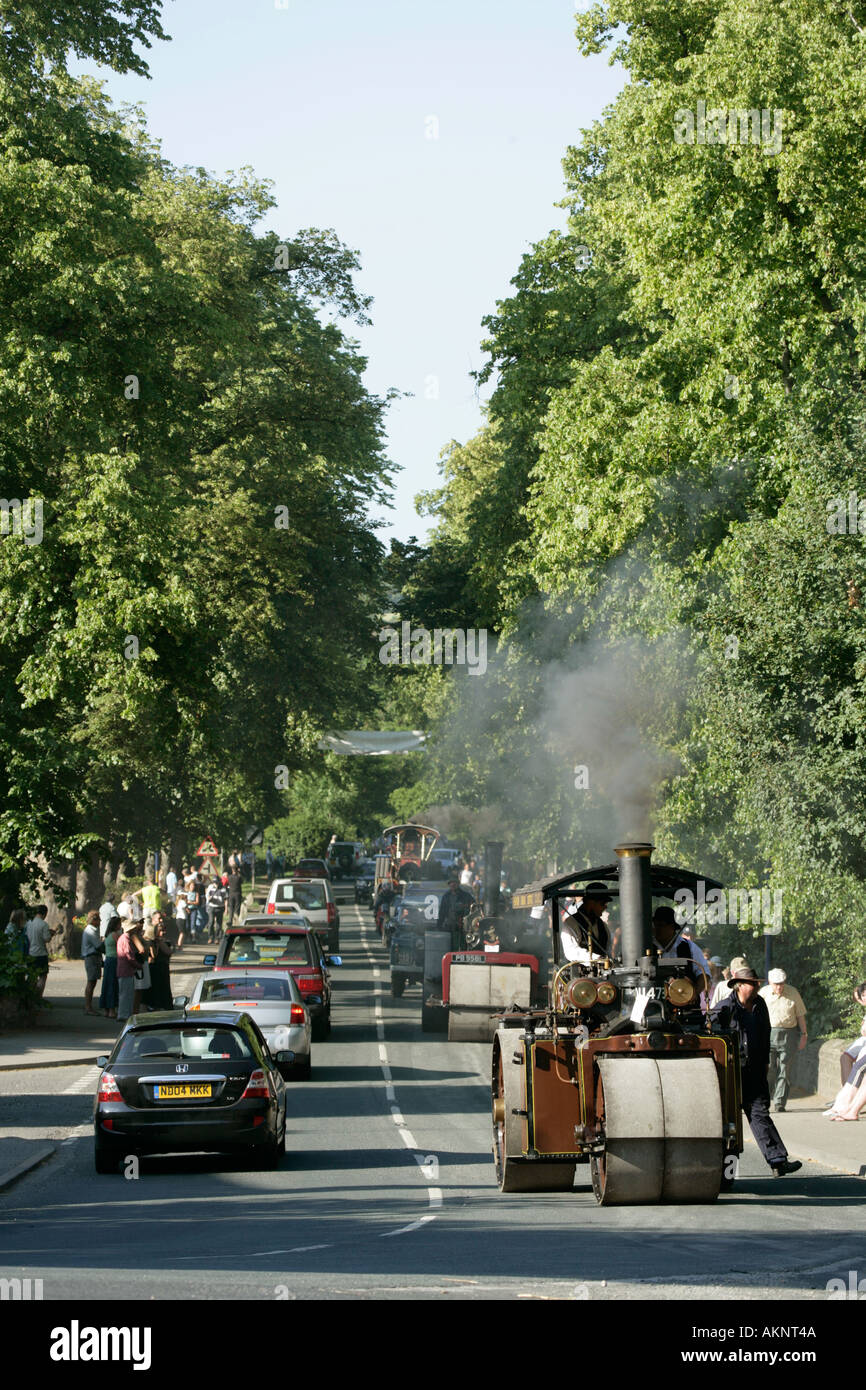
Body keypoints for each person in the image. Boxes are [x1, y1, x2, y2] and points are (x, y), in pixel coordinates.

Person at [711, 966, 802, 1176]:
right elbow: (712, 1036)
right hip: (731, 1073)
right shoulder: (724, 1008)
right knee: (728, 1121)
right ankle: (727, 1173)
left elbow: (765, 1032)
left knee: (760, 1113)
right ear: (739, 986)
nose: (755, 987)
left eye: (756, 983)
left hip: (755, 1070)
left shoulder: (760, 1005)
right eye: (751, 984)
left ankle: (778, 1161)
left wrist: (764, 1063)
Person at [759, 967, 807, 1112]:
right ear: (769, 982)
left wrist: (804, 1035)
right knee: (768, 1069)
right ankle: (765, 1101)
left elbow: (800, 1015)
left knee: (785, 1069)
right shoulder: (763, 993)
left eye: (781, 983)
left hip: (789, 1034)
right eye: (776, 984)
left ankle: (780, 1102)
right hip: (768, 1033)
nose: (779, 987)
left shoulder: (793, 992)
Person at [652, 905, 710, 986]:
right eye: (655, 925)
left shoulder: (690, 947)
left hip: (683, 996)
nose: (656, 929)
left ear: (672, 927)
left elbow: (704, 974)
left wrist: (694, 994)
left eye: (661, 925)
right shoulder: (646, 946)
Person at [563, 883, 613, 958]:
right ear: (591, 902)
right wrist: (597, 958)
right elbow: (571, 952)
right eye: (603, 903)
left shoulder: (603, 926)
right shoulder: (571, 923)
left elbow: (608, 950)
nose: (605, 907)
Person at [144, 911, 173, 1011]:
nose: (162, 933)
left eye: (163, 930)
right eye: (160, 931)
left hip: (163, 968)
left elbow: (169, 952)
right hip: (154, 968)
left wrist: (159, 941)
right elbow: (152, 956)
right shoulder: (150, 939)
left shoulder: (164, 941)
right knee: (155, 990)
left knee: (164, 989)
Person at [25, 906, 56, 997]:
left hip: (30, 953)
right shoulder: (44, 924)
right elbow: (47, 939)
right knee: (42, 976)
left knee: (31, 977)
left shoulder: (28, 923)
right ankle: (38, 997)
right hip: (41, 953)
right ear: (45, 913)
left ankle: (30, 997)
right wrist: (51, 934)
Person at [437, 878, 475, 945]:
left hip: (463, 928)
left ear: (458, 884)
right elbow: (442, 912)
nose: (453, 884)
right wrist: (439, 925)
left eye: (455, 882)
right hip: (449, 927)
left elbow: (474, 909)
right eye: (451, 883)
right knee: (449, 946)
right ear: (449, 885)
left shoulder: (466, 896)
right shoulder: (446, 897)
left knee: (462, 947)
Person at [81, 910, 104, 1015]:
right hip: (91, 957)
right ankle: (88, 1007)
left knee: (92, 982)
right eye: (98, 919)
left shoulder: (92, 929)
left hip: (93, 957)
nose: (100, 921)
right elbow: (99, 946)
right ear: (94, 920)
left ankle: (88, 1006)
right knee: (91, 982)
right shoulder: (90, 931)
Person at [99, 915, 121, 1017]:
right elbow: (122, 945)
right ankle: (112, 1010)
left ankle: (106, 1009)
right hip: (114, 960)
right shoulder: (115, 935)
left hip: (108, 960)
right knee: (113, 985)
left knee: (107, 984)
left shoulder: (107, 935)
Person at [205, 878, 227, 943]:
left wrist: (226, 909)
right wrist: (209, 898)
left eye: (217, 883)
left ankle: (217, 938)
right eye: (214, 883)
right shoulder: (210, 887)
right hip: (212, 907)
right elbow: (207, 896)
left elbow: (226, 899)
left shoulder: (223, 889)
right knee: (211, 922)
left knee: (219, 923)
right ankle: (210, 937)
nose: (216, 884)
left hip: (220, 907)